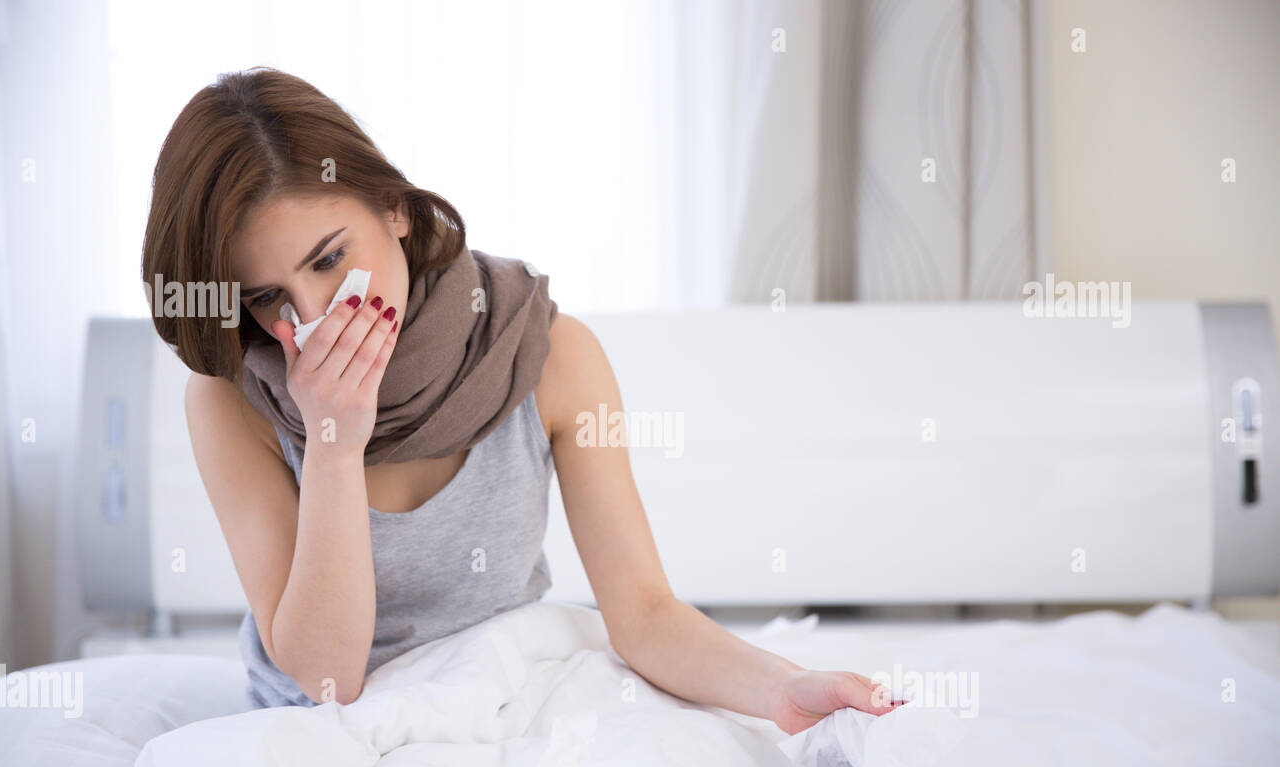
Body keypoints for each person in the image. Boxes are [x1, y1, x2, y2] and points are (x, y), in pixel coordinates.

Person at [143, 67, 902, 731]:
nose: (312, 319)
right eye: (270, 297)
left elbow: (642, 614)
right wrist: (334, 445)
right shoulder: (229, 401)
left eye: (330, 258)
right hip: (320, 741)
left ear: (395, 210)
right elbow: (327, 679)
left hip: (495, 706)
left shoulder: (547, 356)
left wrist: (783, 687)